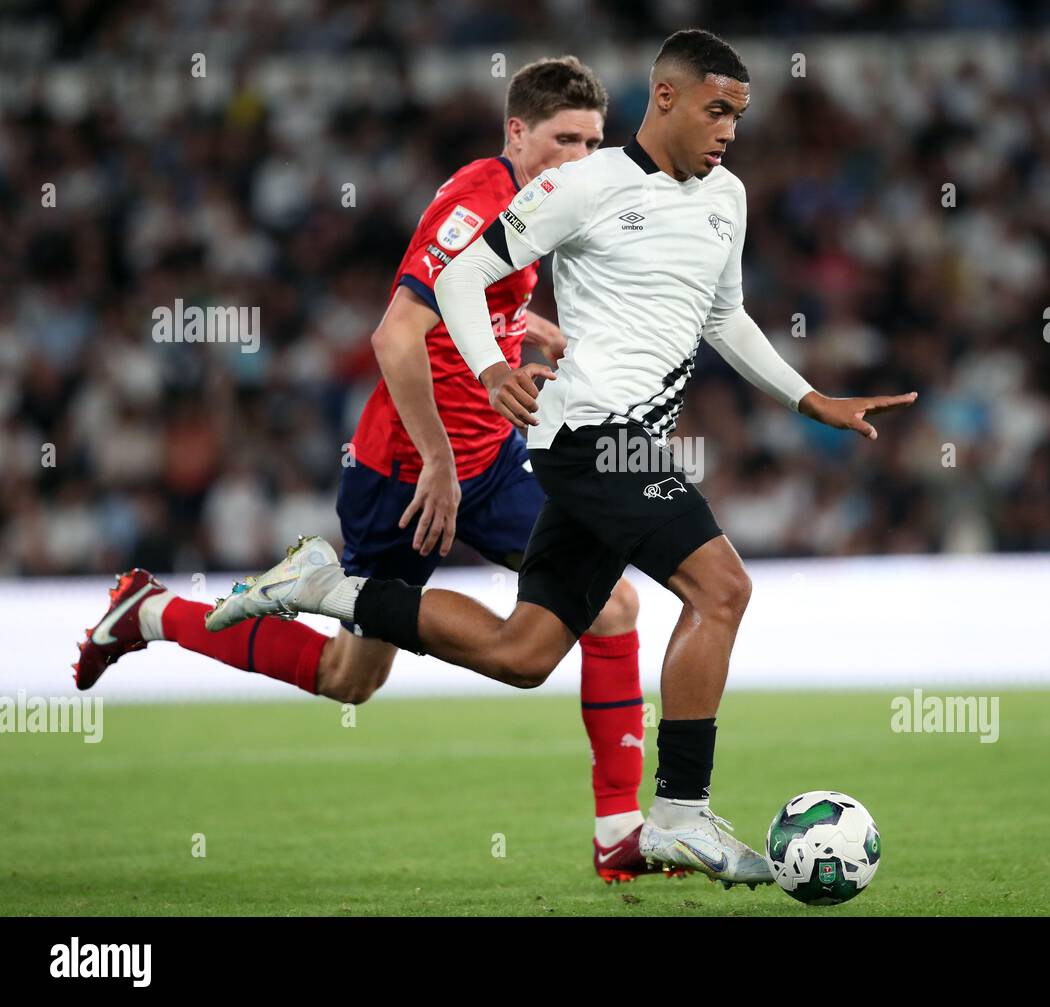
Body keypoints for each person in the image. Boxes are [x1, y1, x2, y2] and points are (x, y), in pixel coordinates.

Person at [205, 29, 916, 888]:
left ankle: (329, 589)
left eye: (740, 114)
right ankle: (678, 813)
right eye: (716, 108)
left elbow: (724, 319)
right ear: (665, 98)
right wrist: (495, 366)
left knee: (525, 651)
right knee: (722, 587)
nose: (730, 128)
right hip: (589, 435)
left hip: (626, 439)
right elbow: (460, 280)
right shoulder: (584, 186)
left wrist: (810, 398)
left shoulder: (727, 197)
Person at [74, 56, 667, 884]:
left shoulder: (531, 201)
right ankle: (160, 612)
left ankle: (618, 833)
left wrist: (520, 323)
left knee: (612, 603)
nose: (581, 157)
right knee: (347, 677)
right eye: (564, 139)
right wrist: (436, 460)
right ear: (518, 133)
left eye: (593, 142)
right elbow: (395, 336)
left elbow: (475, 292)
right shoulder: (477, 204)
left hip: (490, 459)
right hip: (404, 474)